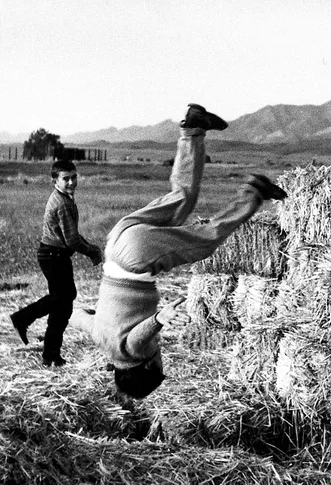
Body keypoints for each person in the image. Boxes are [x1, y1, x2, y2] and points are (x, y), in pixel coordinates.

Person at [70, 103, 287, 399]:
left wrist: (160, 319)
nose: (160, 356)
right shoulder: (100, 337)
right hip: (118, 239)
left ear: (145, 367)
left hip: (136, 258)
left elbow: (139, 338)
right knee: (182, 197)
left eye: (158, 363)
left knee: (207, 239)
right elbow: (76, 315)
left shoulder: (135, 352)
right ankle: (193, 129)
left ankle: (255, 192)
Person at [10, 159, 103, 366]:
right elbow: (71, 240)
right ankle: (22, 319)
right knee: (63, 297)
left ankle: (51, 355)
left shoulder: (65, 199)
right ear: (55, 181)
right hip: (53, 256)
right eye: (65, 179)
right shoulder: (61, 203)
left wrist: (91, 248)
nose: (71, 182)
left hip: (56, 255)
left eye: (74, 177)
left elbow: (72, 235)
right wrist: (92, 252)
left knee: (63, 305)